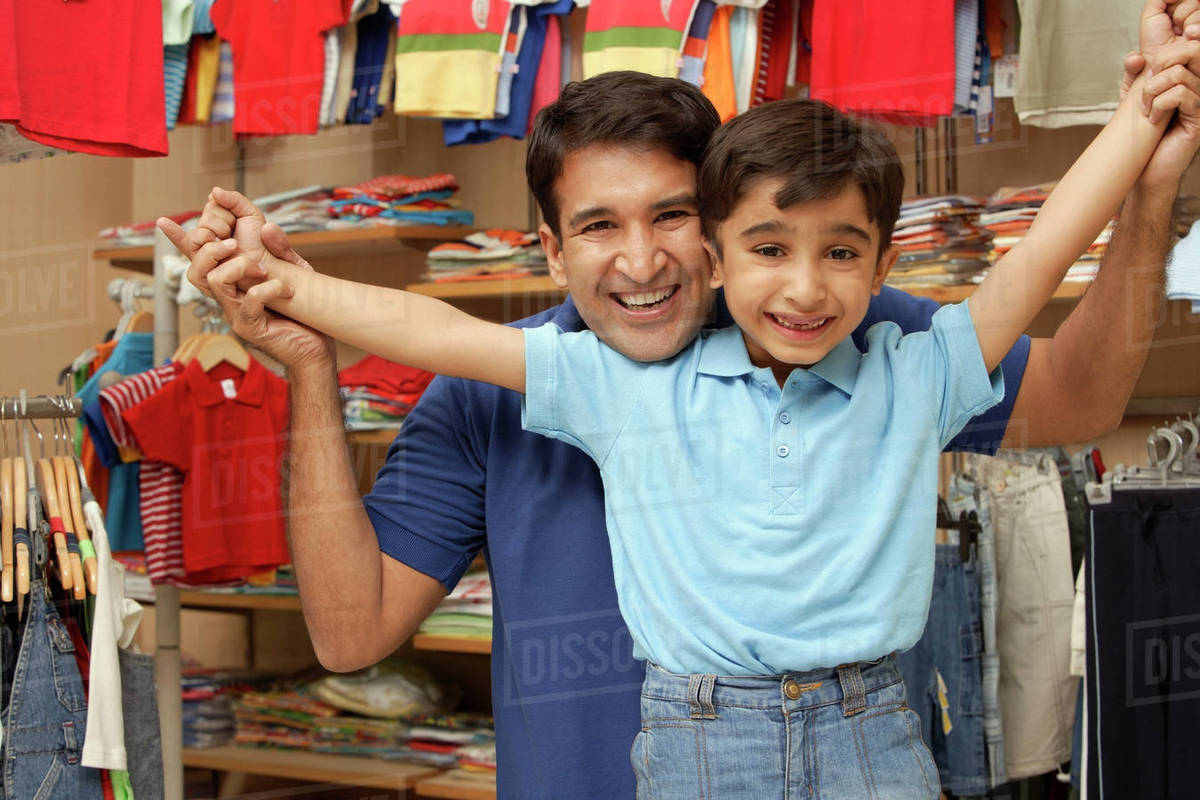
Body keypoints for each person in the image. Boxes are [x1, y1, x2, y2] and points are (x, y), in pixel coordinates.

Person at [162, 9, 1200, 796]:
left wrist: (1149, 164)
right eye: (601, 225)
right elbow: (348, 637)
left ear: (714, 228)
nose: (646, 258)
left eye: (671, 216)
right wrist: (303, 343)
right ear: (549, 247)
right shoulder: (526, 382)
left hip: (864, 739)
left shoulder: (848, 327)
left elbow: (1076, 384)